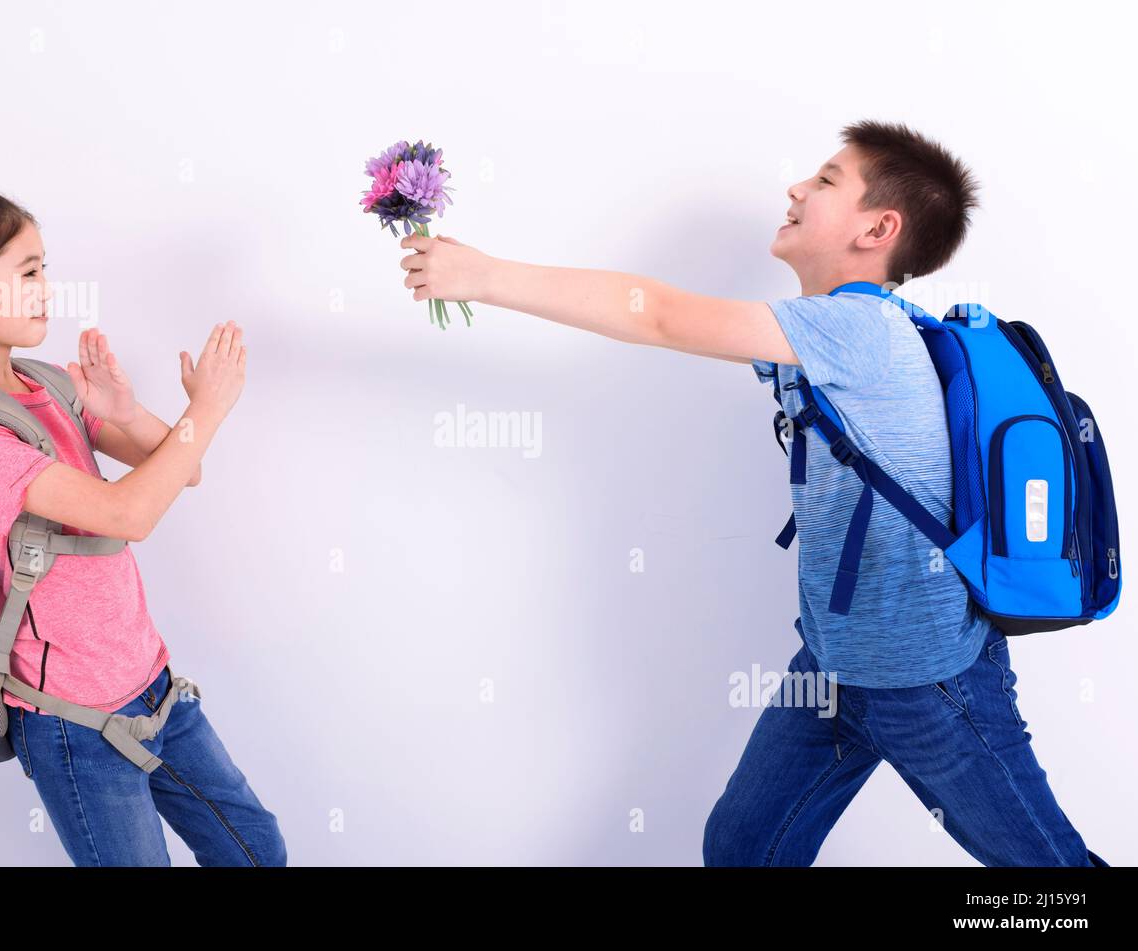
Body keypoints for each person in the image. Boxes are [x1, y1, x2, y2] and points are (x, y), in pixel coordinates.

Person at [396, 119, 1108, 867]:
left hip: (928, 682)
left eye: (827, 180)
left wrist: (486, 277)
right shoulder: (821, 335)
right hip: (835, 669)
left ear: (879, 227)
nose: (796, 188)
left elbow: (662, 314)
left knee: (1050, 878)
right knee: (744, 847)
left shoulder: (858, 330)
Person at [0, 185, 286, 866]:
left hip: (154, 686)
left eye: (44, 267)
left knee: (255, 849)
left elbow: (177, 469)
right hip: (75, 726)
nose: (47, 288)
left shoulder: (45, 383)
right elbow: (129, 512)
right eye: (27, 272)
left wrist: (128, 411)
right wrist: (212, 408)